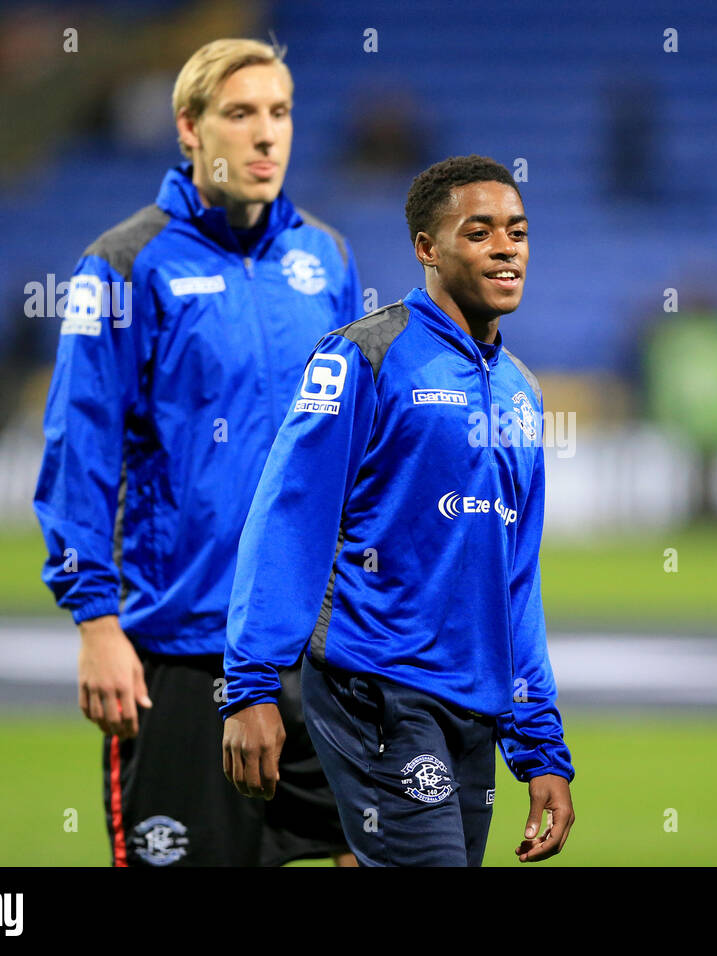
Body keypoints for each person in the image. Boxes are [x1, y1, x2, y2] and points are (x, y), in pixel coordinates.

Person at [33, 38, 361, 866]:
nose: (265, 136)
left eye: (279, 113)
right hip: (182, 646)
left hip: (317, 649)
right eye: (240, 113)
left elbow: (357, 451)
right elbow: (82, 449)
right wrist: (97, 621)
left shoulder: (325, 260)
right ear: (189, 129)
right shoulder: (122, 266)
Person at [221, 155, 575, 867]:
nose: (507, 247)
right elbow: (288, 518)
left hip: (473, 705)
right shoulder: (363, 357)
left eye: (518, 230)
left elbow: (517, 581)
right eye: (480, 233)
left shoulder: (522, 394)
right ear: (426, 249)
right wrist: (251, 683)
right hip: (376, 688)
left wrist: (539, 742)